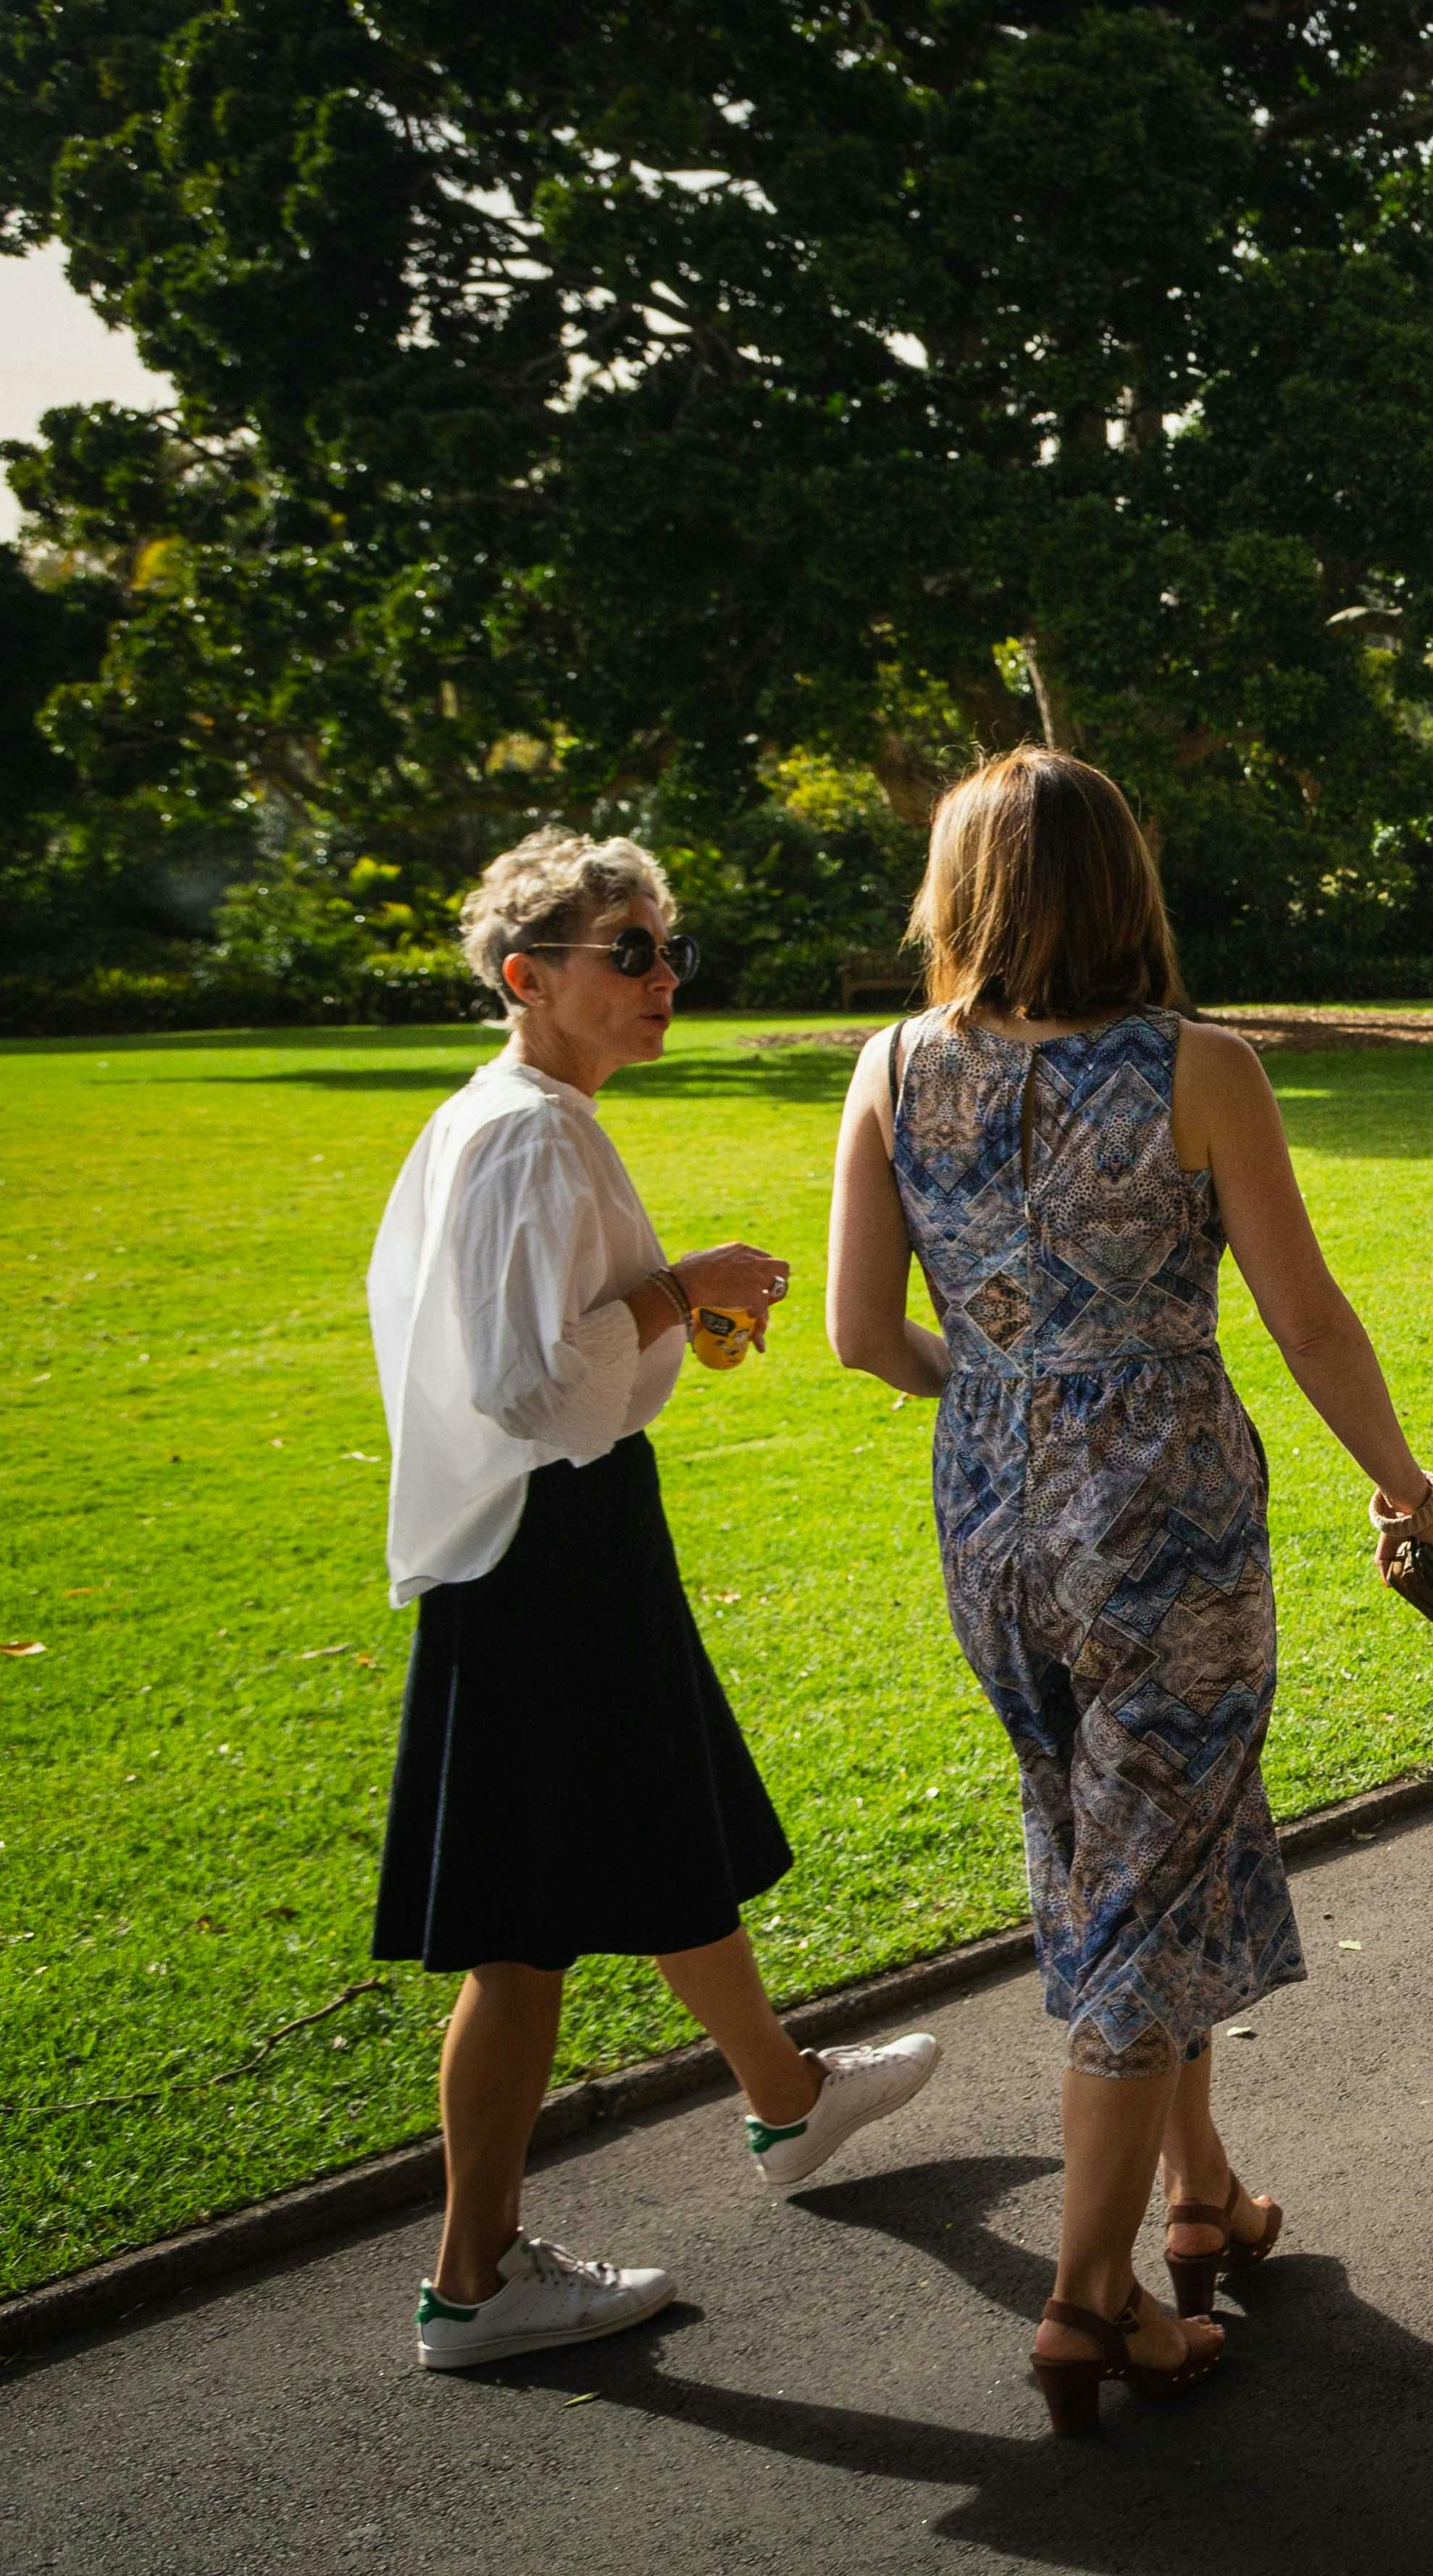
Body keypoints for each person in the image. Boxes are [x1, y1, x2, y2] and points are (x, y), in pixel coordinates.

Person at [827, 749, 1433, 2435]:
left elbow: (858, 1332)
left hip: (989, 1520)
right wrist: (1408, 1491)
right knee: (1144, 1873)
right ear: (1123, 882)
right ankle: (1084, 2300)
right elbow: (1305, 1314)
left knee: (1118, 1844)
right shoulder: (1201, 1068)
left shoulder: (890, 1069)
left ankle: (1200, 2197)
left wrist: (1001, 1386)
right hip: (1163, 1521)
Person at [369, 830, 941, 2372]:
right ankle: (474, 2280)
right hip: (541, 1547)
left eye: (666, 952)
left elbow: (545, 1354)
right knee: (519, 1933)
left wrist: (671, 1313)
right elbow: (530, 1388)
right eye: (625, 953)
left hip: (558, 1535)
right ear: (526, 976)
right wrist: (680, 1292)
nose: (661, 978)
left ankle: (786, 2098)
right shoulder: (526, 1136)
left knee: (660, 1829)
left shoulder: (520, 1117)